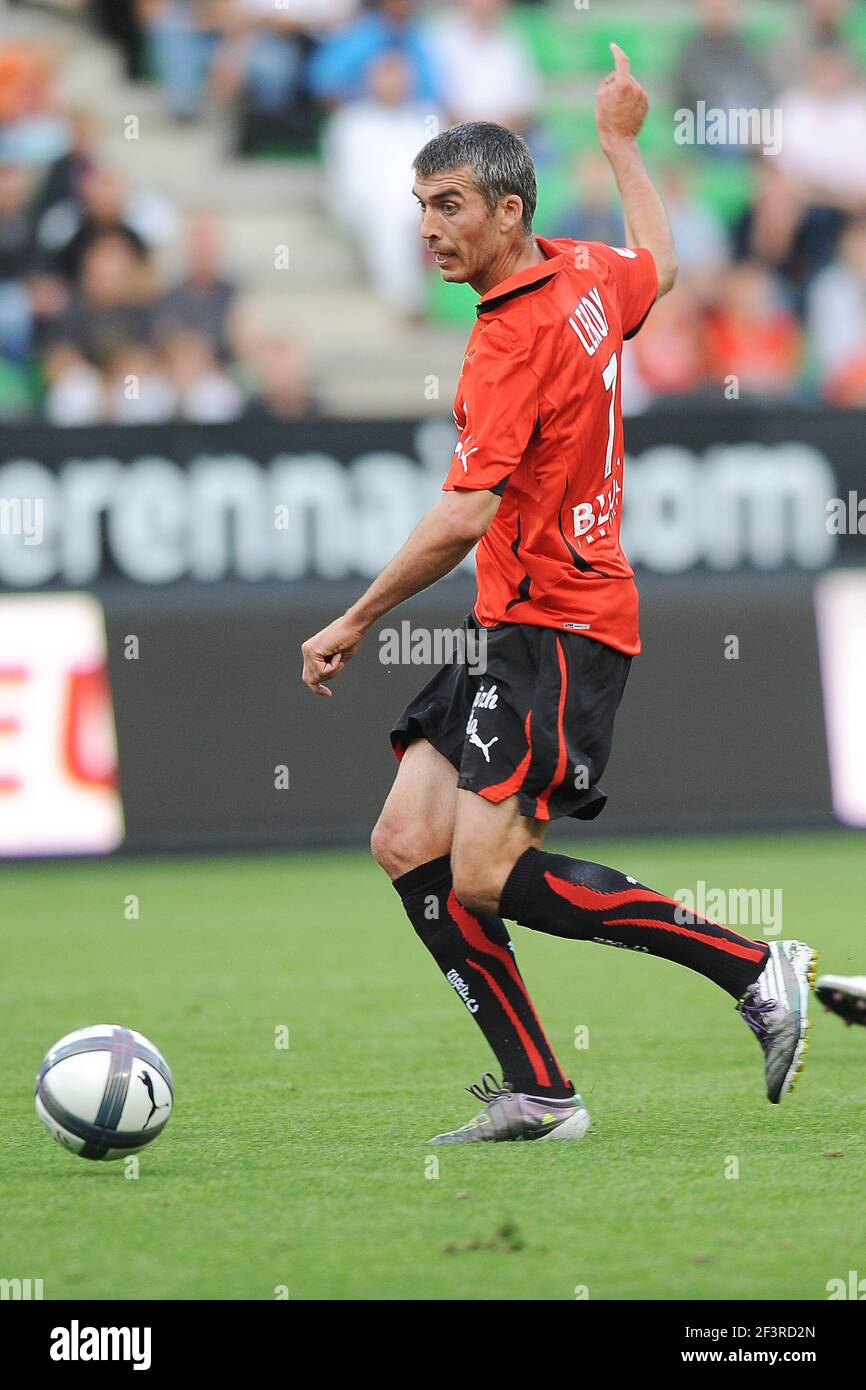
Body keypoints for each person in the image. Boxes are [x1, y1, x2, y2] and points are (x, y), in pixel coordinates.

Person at [300, 47, 817, 1144]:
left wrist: (353, 618)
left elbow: (461, 515)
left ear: (507, 210)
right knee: (408, 839)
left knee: (486, 875)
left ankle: (749, 963)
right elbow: (660, 267)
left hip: (559, 625)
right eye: (418, 206)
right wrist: (624, 145)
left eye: (448, 206)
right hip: (513, 623)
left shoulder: (503, 341)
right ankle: (539, 1088)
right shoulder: (582, 270)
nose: (427, 226)